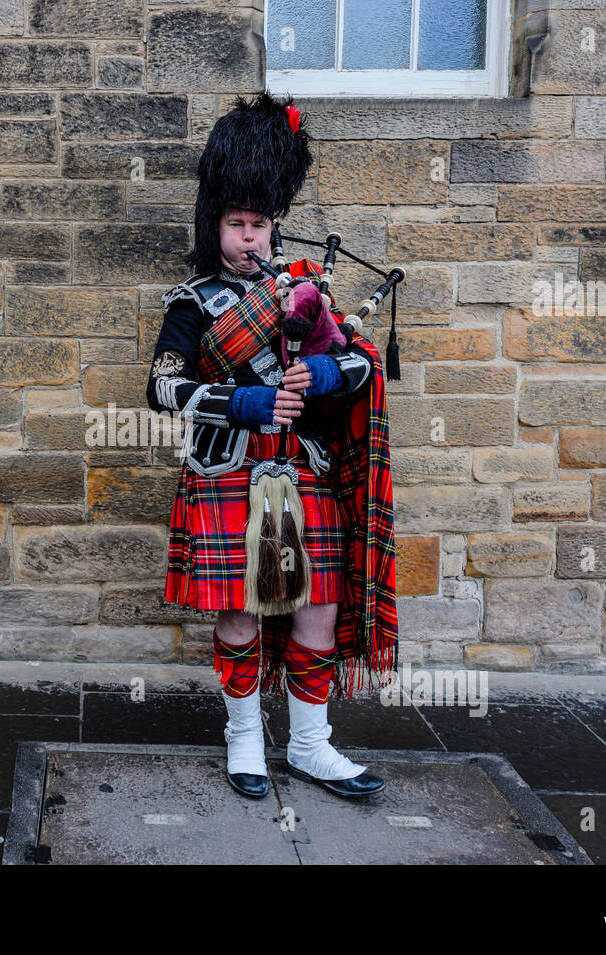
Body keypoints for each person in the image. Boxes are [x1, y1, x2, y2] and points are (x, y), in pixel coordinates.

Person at [146, 91, 398, 800]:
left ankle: (313, 745)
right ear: (216, 223)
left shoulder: (307, 292)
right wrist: (246, 401)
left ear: (275, 223)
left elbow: (359, 366)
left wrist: (323, 368)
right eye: (236, 223)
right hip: (228, 471)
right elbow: (162, 388)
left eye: (260, 223)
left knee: (316, 603)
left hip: (302, 474)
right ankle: (245, 737)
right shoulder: (193, 303)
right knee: (241, 608)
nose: (249, 236)